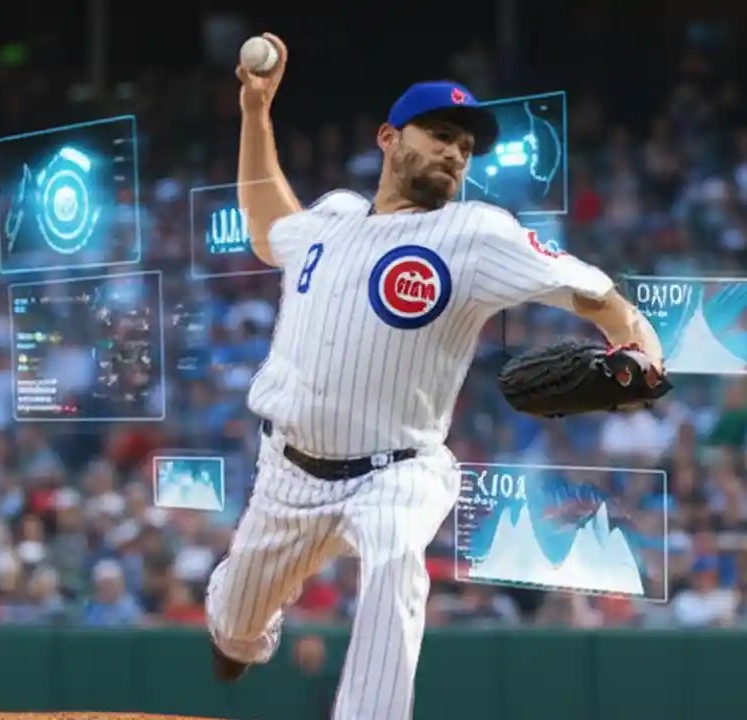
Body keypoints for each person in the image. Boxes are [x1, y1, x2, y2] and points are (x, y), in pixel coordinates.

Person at [202, 33, 665, 720]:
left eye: (466, 145)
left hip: (398, 470)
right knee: (232, 635)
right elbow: (268, 225)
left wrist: (642, 349)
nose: (455, 151)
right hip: (288, 472)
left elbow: (593, 294)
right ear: (389, 138)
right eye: (440, 134)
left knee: (394, 560)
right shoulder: (329, 219)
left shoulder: (475, 233)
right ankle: (245, 621)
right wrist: (254, 109)